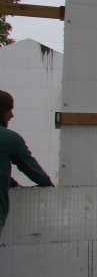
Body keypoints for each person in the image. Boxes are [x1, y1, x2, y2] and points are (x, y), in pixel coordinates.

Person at [1, 90, 55, 234]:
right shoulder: (9, 138)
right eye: (8, 110)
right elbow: (31, 169)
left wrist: (11, 182)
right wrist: (48, 185)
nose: (11, 115)